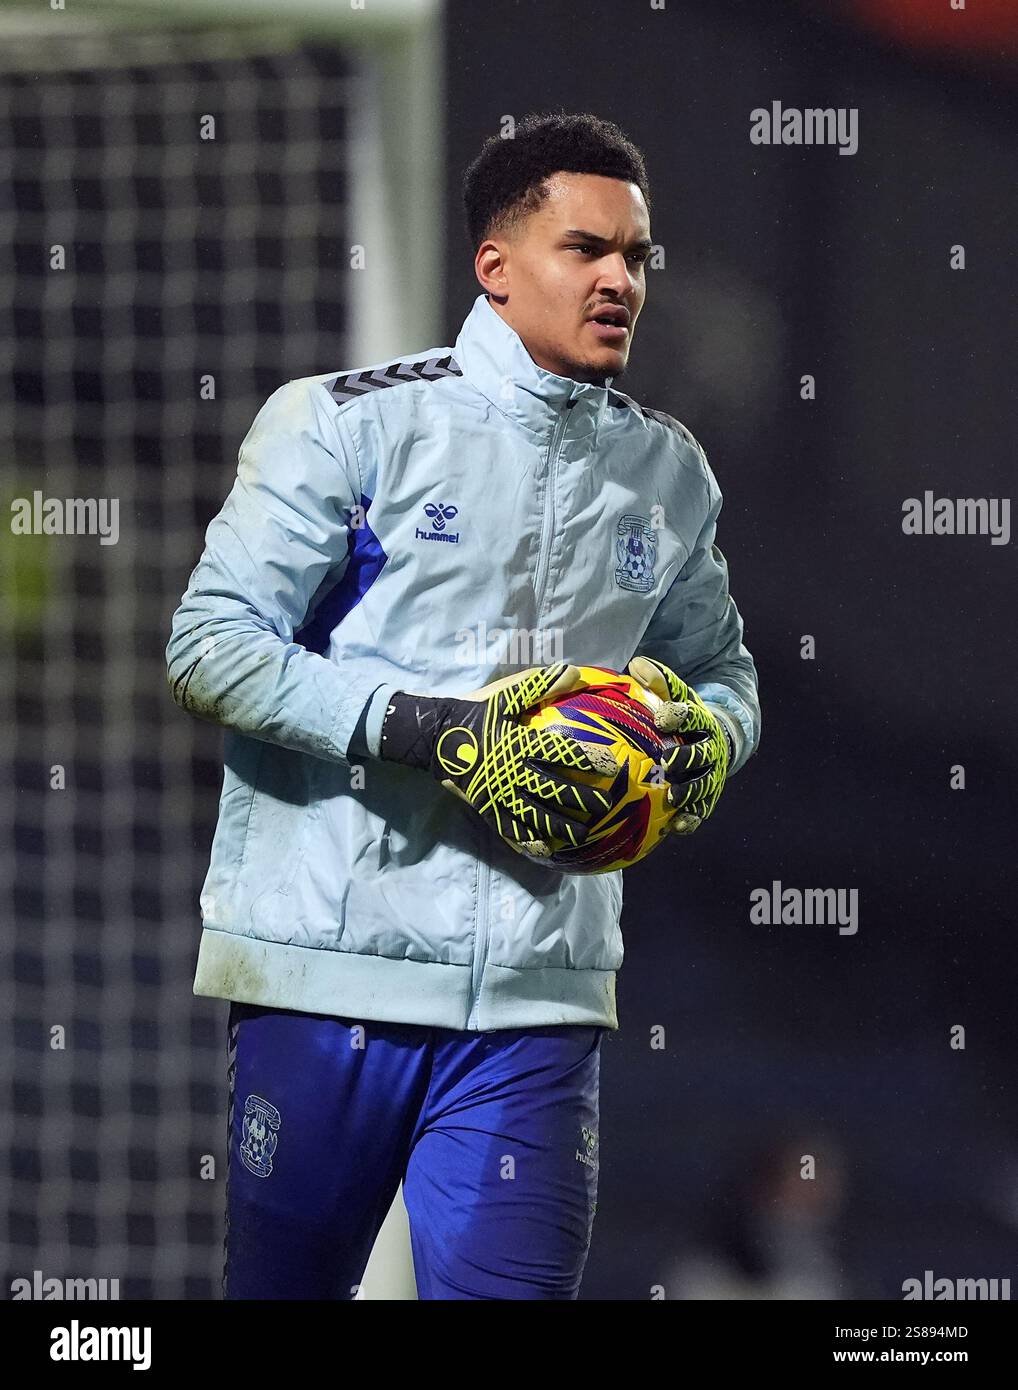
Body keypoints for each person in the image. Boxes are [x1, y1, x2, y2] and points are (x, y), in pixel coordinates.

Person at [165, 112, 761, 1300]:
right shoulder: (346, 421)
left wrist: (711, 740)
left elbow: (725, 676)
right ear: (494, 267)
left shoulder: (668, 474)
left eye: (635, 258)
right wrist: (428, 730)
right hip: (326, 973)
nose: (618, 281)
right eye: (584, 249)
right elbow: (209, 644)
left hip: (540, 995)